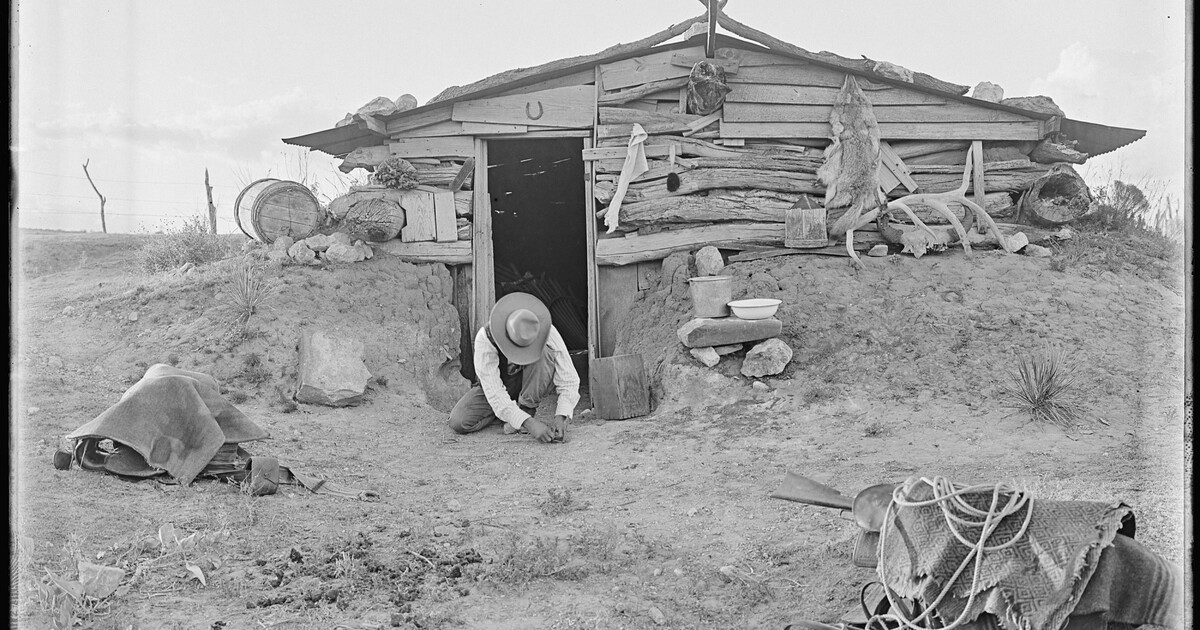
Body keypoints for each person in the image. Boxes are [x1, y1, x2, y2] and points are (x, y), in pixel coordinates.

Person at [448, 292, 579, 443]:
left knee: (544, 354)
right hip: (501, 384)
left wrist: (561, 416)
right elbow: (494, 392)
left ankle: (525, 409)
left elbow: (569, 377)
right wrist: (530, 424)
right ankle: (513, 414)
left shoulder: (543, 329)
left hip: (531, 382)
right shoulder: (485, 339)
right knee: (458, 421)